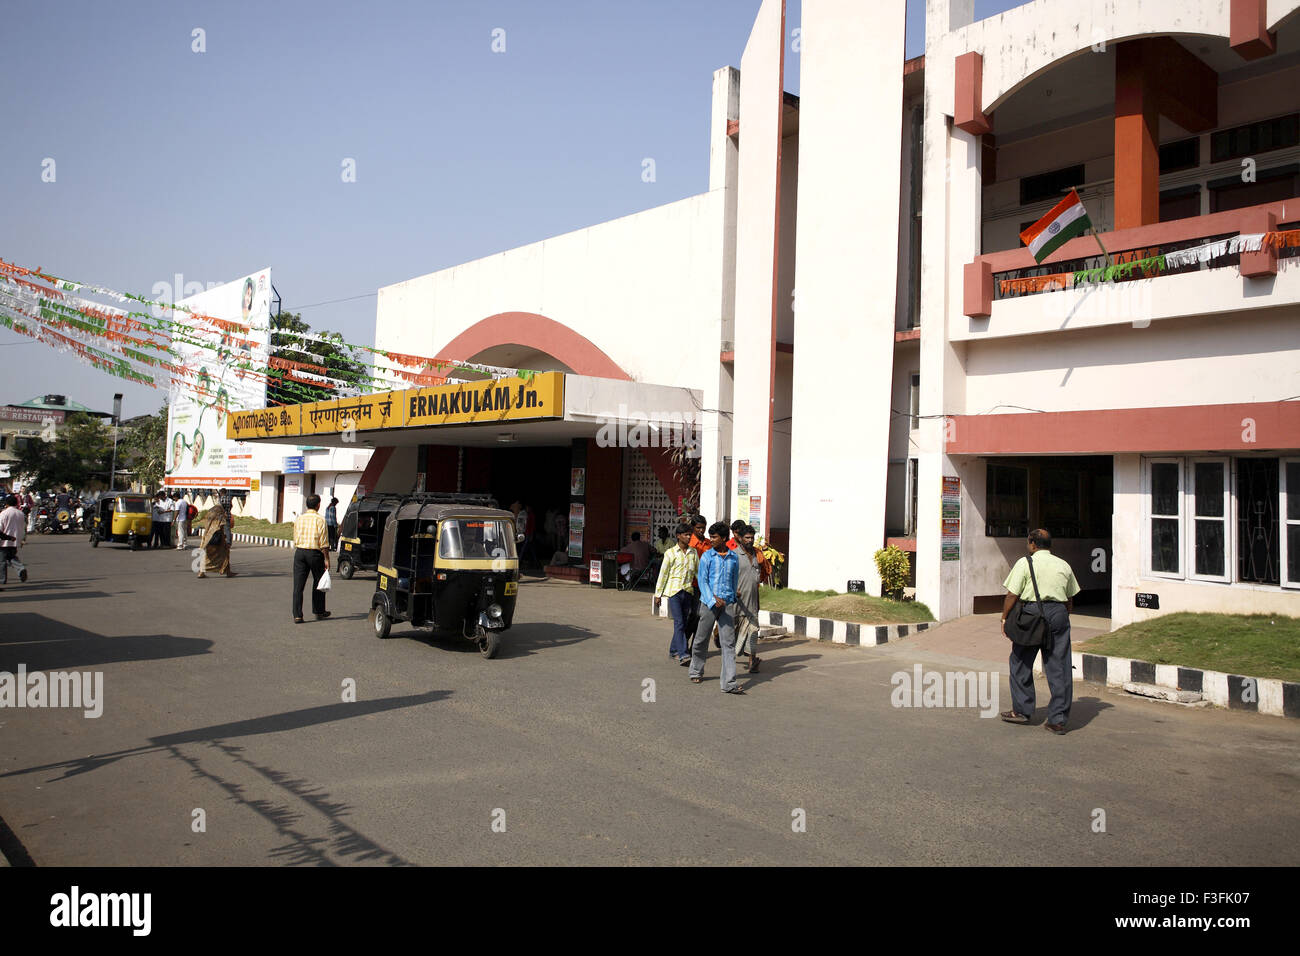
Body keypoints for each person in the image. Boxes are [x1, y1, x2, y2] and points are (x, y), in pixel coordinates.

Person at [1000, 528, 1080, 735]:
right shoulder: (1063, 565)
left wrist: (1004, 617)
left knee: (1020, 661)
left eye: (1029, 542)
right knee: (1059, 666)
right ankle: (1058, 721)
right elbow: (1069, 598)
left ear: (1033, 544)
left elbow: (1012, 594)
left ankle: (1022, 710)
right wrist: (1062, 617)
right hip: (1058, 613)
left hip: (1031, 614)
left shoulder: (1025, 562)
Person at [688, 521, 743, 694]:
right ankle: (696, 670)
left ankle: (729, 683)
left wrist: (733, 595)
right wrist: (712, 599)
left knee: (728, 644)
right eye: (710, 537)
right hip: (708, 604)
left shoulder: (734, 558)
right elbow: (702, 582)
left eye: (714, 537)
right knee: (701, 639)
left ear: (724, 538)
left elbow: (734, 579)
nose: (711, 540)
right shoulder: (706, 557)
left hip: (727, 605)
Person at [653, 523, 699, 665]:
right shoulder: (670, 553)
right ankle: (683, 653)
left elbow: (698, 573)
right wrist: (658, 594)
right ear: (678, 536)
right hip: (674, 592)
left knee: (683, 623)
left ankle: (673, 650)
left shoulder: (693, 553)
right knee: (679, 622)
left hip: (688, 591)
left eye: (689, 534)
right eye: (685, 534)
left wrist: (706, 589)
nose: (688, 537)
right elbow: (663, 574)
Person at [292, 494, 331, 623]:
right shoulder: (320, 520)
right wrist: (326, 559)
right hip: (314, 553)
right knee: (318, 582)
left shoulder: (299, 519)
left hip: (300, 553)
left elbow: (295, 537)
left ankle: (297, 615)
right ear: (318, 505)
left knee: (298, 585)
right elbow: (324, 542)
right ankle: (319, 611)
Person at [733, 525, 765, 673]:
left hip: (752, 602)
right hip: (737, 604)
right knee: (734, 635)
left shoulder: (757, 556)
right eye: (747, 537)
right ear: (740, 538)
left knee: (753, 632)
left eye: (752, 538)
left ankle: (752, 660)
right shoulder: (733, 555)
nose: (750, 540)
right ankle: (730, 663)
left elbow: (759, 577)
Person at [197, 498, 237, 578]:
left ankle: (201, 572)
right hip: (216, 537)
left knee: (207, 555)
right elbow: (220, 527)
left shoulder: (211, 511)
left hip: (208, 536)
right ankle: (227, 572)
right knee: (225, 553)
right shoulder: (220, 513)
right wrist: (224, 540)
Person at [0, 495, 28, 586]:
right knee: (11, 557)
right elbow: (24, 527)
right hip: (16, 540)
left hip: (4, 541)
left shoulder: (4, 514)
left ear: (6, 504)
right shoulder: (21, 514)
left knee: (2, 561)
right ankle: (20, 569)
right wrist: (23, 539)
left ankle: (2, 579)